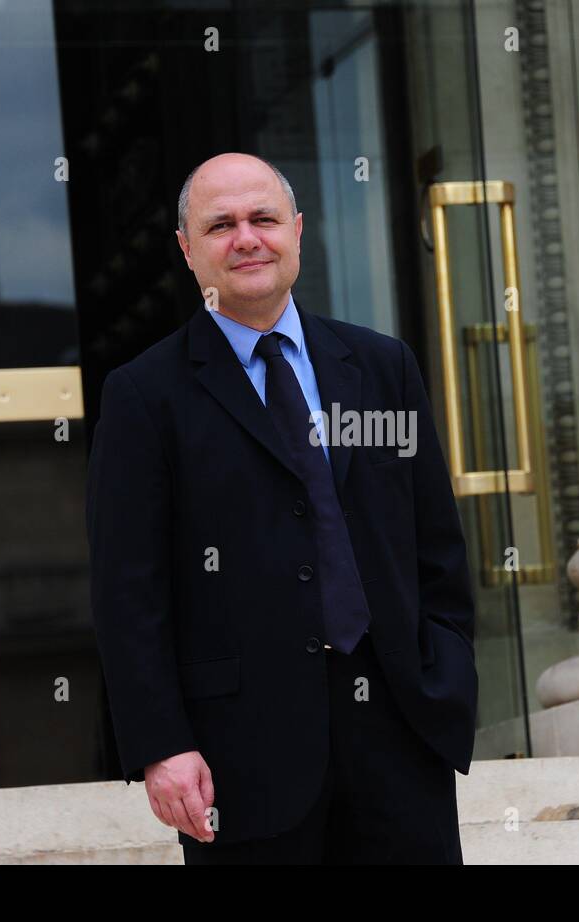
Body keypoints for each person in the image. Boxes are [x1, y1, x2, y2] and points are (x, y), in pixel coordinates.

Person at [85, 151, 477, 864]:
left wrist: (444, 673)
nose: (247, 238)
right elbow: (127, 592)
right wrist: (161, 743)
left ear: (296, 230)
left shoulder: (383, 366)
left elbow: (436, 550)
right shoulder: (144, 397)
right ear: (187, 248)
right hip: (241, 755)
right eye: (221, 224)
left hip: (398, 732)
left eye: (263, 218)